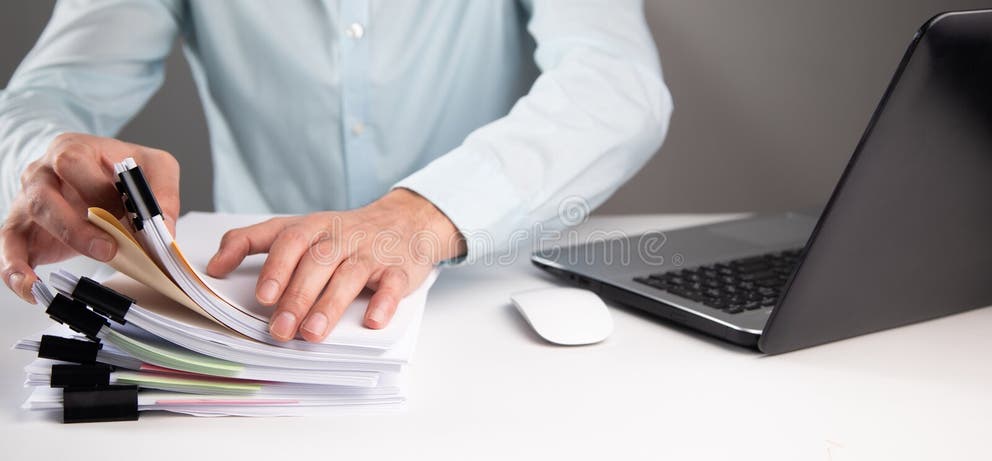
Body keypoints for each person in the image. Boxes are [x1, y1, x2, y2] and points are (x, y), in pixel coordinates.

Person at [0, 0, 672, 343]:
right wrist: (48, 161)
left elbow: (616, 85)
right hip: (252, 310)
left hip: (489, 311)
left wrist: (422, 216)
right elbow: (39, 99)